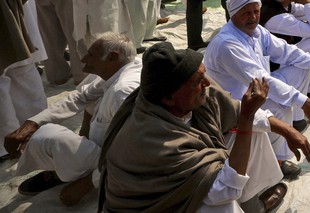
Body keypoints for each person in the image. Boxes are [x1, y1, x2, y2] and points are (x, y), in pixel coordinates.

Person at [100, 42, 294, 212]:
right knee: (221, 206)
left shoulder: (182, 99)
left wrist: (287, 130)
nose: (207, 83)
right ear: (169, 98)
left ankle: (251, 204)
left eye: (204, 75)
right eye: (198, 83)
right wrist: (247, 117)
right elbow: (224, 191)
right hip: (158, 205)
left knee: (254, 134)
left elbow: (235, 110)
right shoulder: (154, 140)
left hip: (184, 180)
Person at [203, 0, 310, 177]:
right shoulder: (227, 44)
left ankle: (292, 126)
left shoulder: (256, 31)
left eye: (256, 11)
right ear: (234, 14)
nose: (253, 17)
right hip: (233, 103)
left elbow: (286, 51)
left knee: (301, 68)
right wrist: (304, 101)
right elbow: (261, 80)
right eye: (246, 13)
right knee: (282, 107)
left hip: (256, 92)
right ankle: (277, 162)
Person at [4, 35, 141, 206]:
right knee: (90, 92)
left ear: (112, 57)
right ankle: (69, 166)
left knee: (46, 137)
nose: (83, 59)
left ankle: (70, 172)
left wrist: (88, 183)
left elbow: (134, 152)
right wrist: (32, 122)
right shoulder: (123, 67)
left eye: (91, 55)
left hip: (113, 161)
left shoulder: (123, 92)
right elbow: (80, 97)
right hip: (105, 146)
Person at [0, 0, 48, 160]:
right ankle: (30, 135)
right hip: (14, 32)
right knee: (23, 82)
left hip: (12, 30)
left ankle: (11, 142)